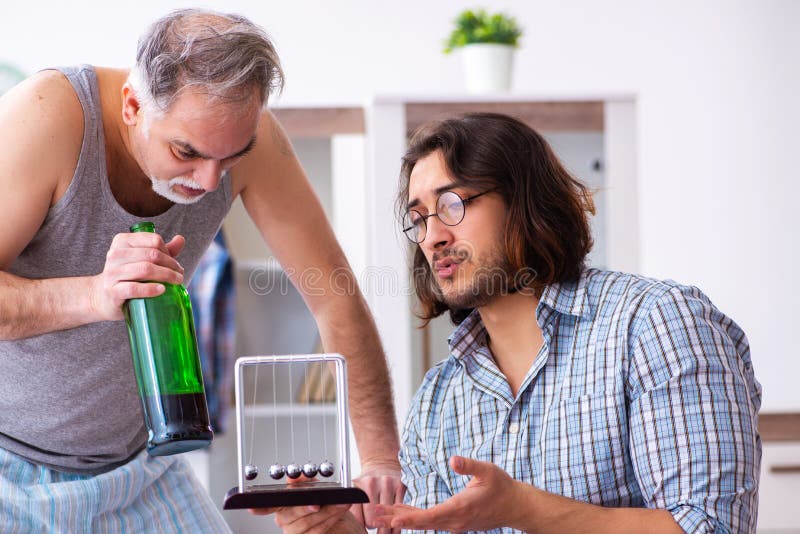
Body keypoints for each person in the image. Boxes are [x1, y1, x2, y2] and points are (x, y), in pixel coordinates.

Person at [0, 8, 402, 532]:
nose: (210, 183)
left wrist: (379, 461)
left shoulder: (249, 142)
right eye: (185, 152)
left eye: (230, 158)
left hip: (139, 470)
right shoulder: (44, 115)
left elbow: (334, 296)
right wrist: (94, 295)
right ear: (132, 105)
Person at [273, 112, 761, 533]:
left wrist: (523, 508)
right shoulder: (439, 399)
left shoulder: (656, 323)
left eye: (452, 204)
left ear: (524, 202)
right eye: (419, 218)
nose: (432, 237)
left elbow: (711, 525)